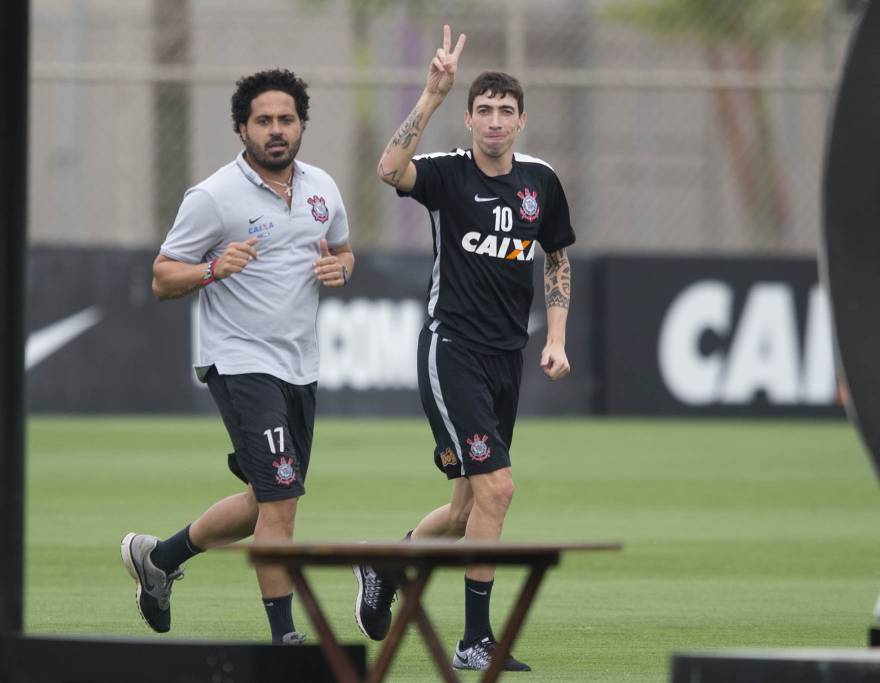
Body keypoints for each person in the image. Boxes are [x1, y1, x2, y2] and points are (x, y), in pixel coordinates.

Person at [353, 26, 575, 672]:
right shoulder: (449, 174)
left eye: (507, 110)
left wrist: (555, 338)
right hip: (451, 350)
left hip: (508, 356)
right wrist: (430, 93)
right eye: (484, 109)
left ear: (521, 119)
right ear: (471, 116)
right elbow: (389, 169)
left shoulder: (541, 182)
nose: (496, 120)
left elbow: (557, 258)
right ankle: (477, 638)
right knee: (498, 489)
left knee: (462, 509)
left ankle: (384, 562)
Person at [121, 68, 355, 644]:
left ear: (301, 124)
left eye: (286, 119)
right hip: (241, 362)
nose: (276, 130)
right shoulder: (213, 196)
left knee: (263, 501)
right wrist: (210, 268)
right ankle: (285, 640)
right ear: (241, 127)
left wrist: (340, 268)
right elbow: (161, 277)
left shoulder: (323, 188)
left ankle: (161, 559)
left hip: (302, 365)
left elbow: (346, 252)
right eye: (263, 121)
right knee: (282, 504)